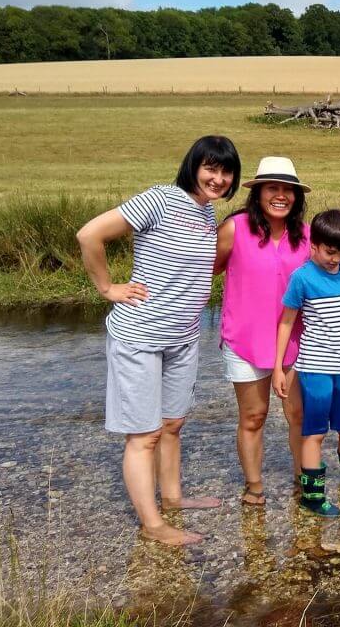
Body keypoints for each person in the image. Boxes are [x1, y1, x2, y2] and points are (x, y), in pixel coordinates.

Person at [77, 135, 241, 546]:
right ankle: (153, 525)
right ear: (193, 166)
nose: (218, 179)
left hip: (183, 338)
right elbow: (89, 235)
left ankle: (171, 497)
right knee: (144, 434)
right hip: (140, 335)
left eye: (226, 172)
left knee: (172, 424)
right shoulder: (160, 199)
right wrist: (107, 287)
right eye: (210, 168)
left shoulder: (206, 216)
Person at [214, 157, 340, 507]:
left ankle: (302, 482)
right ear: (257, 192)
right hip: (244, 339)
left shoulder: (307, 236)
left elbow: (328, 278)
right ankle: (254, 487)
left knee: (299, 416)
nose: (281, 196)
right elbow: (206, 271)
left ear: (297, 197)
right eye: (272, 188)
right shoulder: (235, 228)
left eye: (288, 190)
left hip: (297, 344)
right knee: (253, 416)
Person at [273, 209, 340, 516]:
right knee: (315, 432)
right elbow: (286, 324)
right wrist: (279, 368)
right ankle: (312, 495)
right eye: (330, 252)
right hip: (315, 368)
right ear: (314, 245)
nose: (336, 259)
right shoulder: (302, 278)